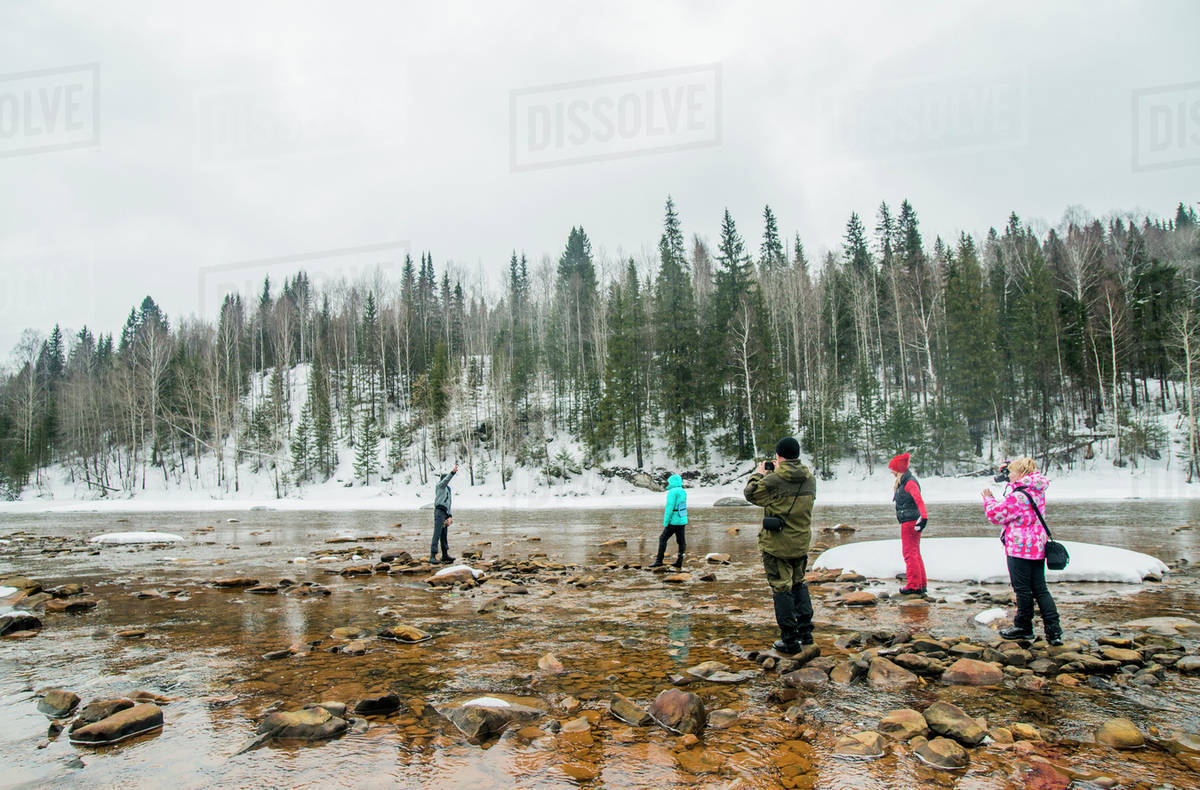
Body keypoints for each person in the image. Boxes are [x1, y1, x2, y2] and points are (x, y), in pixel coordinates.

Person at [744, 437, 817, 654]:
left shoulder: (775, 480)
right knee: (799, 584)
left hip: (777, 544)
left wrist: (759, 474)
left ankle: (789, 640)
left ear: (778, 456)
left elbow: (751, 494)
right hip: (801, 541)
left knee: (781, 589)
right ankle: (806, 634)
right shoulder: (810, 479)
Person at [982, 456, 1062, 646]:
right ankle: (1054, 630)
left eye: (1011, 472)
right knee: (1040, 589)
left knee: (1022, 590)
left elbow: (995, 515)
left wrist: (988, 499)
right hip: (1037, 546)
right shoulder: (1036, 490)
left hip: (1019, 547)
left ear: (1020, 473)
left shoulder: (1018, 496)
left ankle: (1023, 627)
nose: (1008, 476)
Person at [888, 452, 928, 596]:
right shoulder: (904, 481)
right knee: (914, 552)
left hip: (910, 522)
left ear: (899, 470)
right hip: (910, 520)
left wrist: (924, 518)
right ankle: (920, 584)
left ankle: (914, 585)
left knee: (909, 553)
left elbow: (919, 500)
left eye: (893, 469)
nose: (891, 472)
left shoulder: (910, 482)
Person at [650, 473, 688, 569]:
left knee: (663, 538)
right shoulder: (683, 491)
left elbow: (669, 508)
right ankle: (679, 562)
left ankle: (659, 561)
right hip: (682, 519)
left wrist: (666, 522)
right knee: (681, 541)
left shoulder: (672, 492)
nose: (668, 483)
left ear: (672, 482)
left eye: (669, 482)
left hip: (674, 520)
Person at [430, 464, 459, 564]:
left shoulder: (448, 490)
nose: (446, 481)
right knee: (437, 533)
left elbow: (449, 504)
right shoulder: (440, 486)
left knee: (444, 534)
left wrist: (449, 516)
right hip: (439, 511)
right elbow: (446, 480)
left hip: (445, 513)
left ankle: (445, 555)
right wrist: (452, 473)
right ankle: (432, 555)